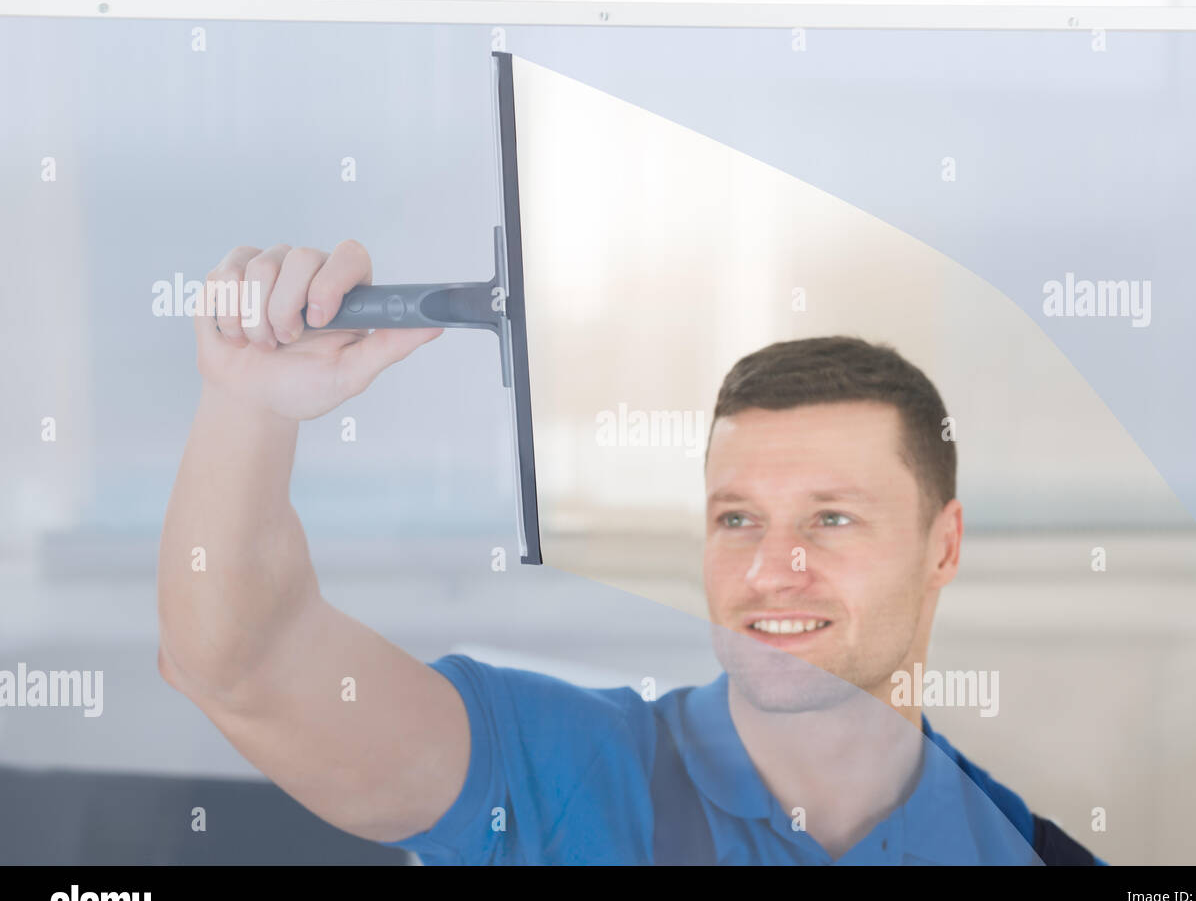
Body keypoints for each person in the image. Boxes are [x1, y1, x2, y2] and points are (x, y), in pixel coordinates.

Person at [158, 239, 1102, 865]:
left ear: (944, 546)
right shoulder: (566, 771)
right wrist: (251, 402)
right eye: (738, 518)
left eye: (832, 519)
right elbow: (242, 664)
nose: (775, 567)